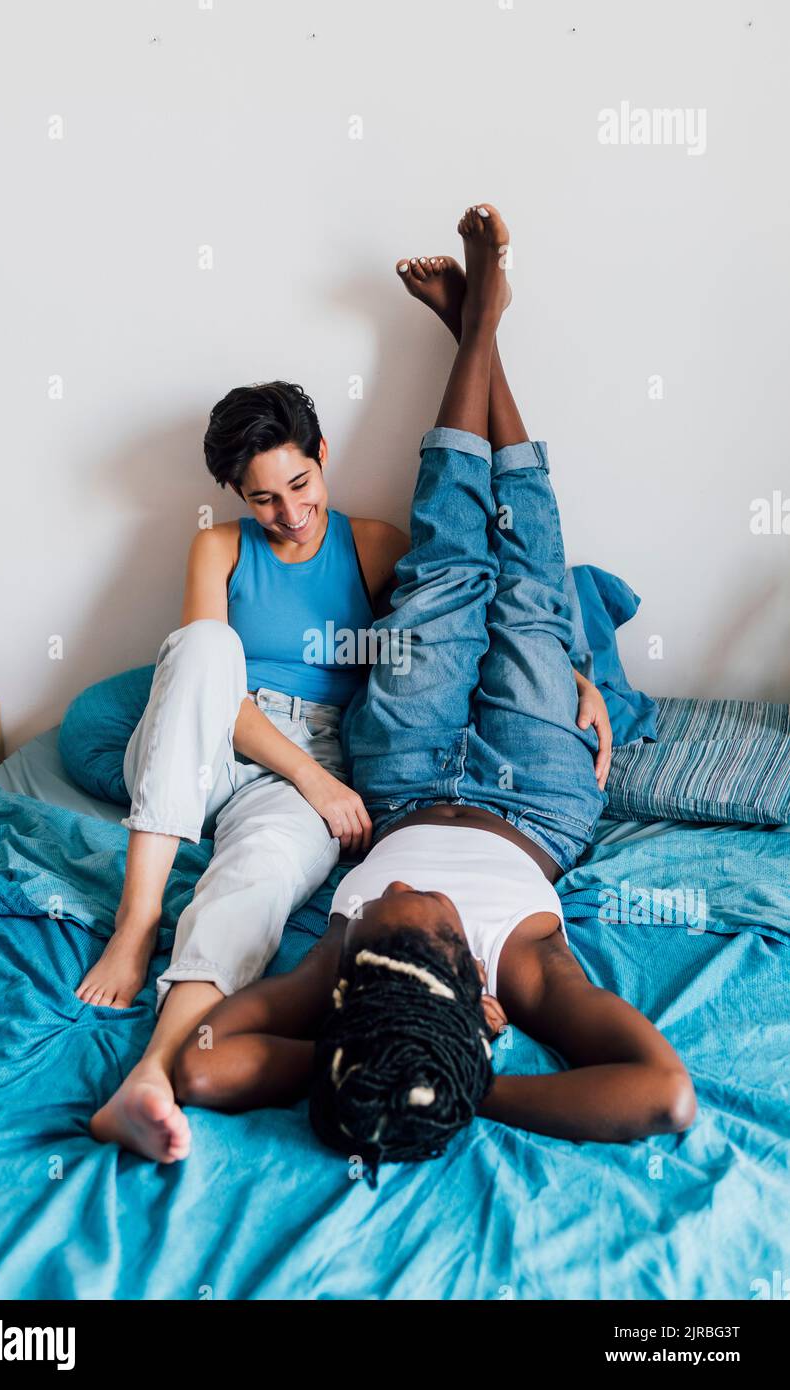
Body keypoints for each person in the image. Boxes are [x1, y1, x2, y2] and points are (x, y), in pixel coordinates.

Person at [160, 202, 696, 1177]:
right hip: (533, 792)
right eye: (422, 907)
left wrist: (374, 1054)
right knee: (527, 586)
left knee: (448, 569)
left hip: (400, 772)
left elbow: (198, 1067)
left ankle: (475, 327)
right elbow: (662, 1093)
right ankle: (483, 322)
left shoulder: (344, 972)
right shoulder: (526, 974)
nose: (396, 882)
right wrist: (463, 1079)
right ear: (476, 992)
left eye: (383, 902)